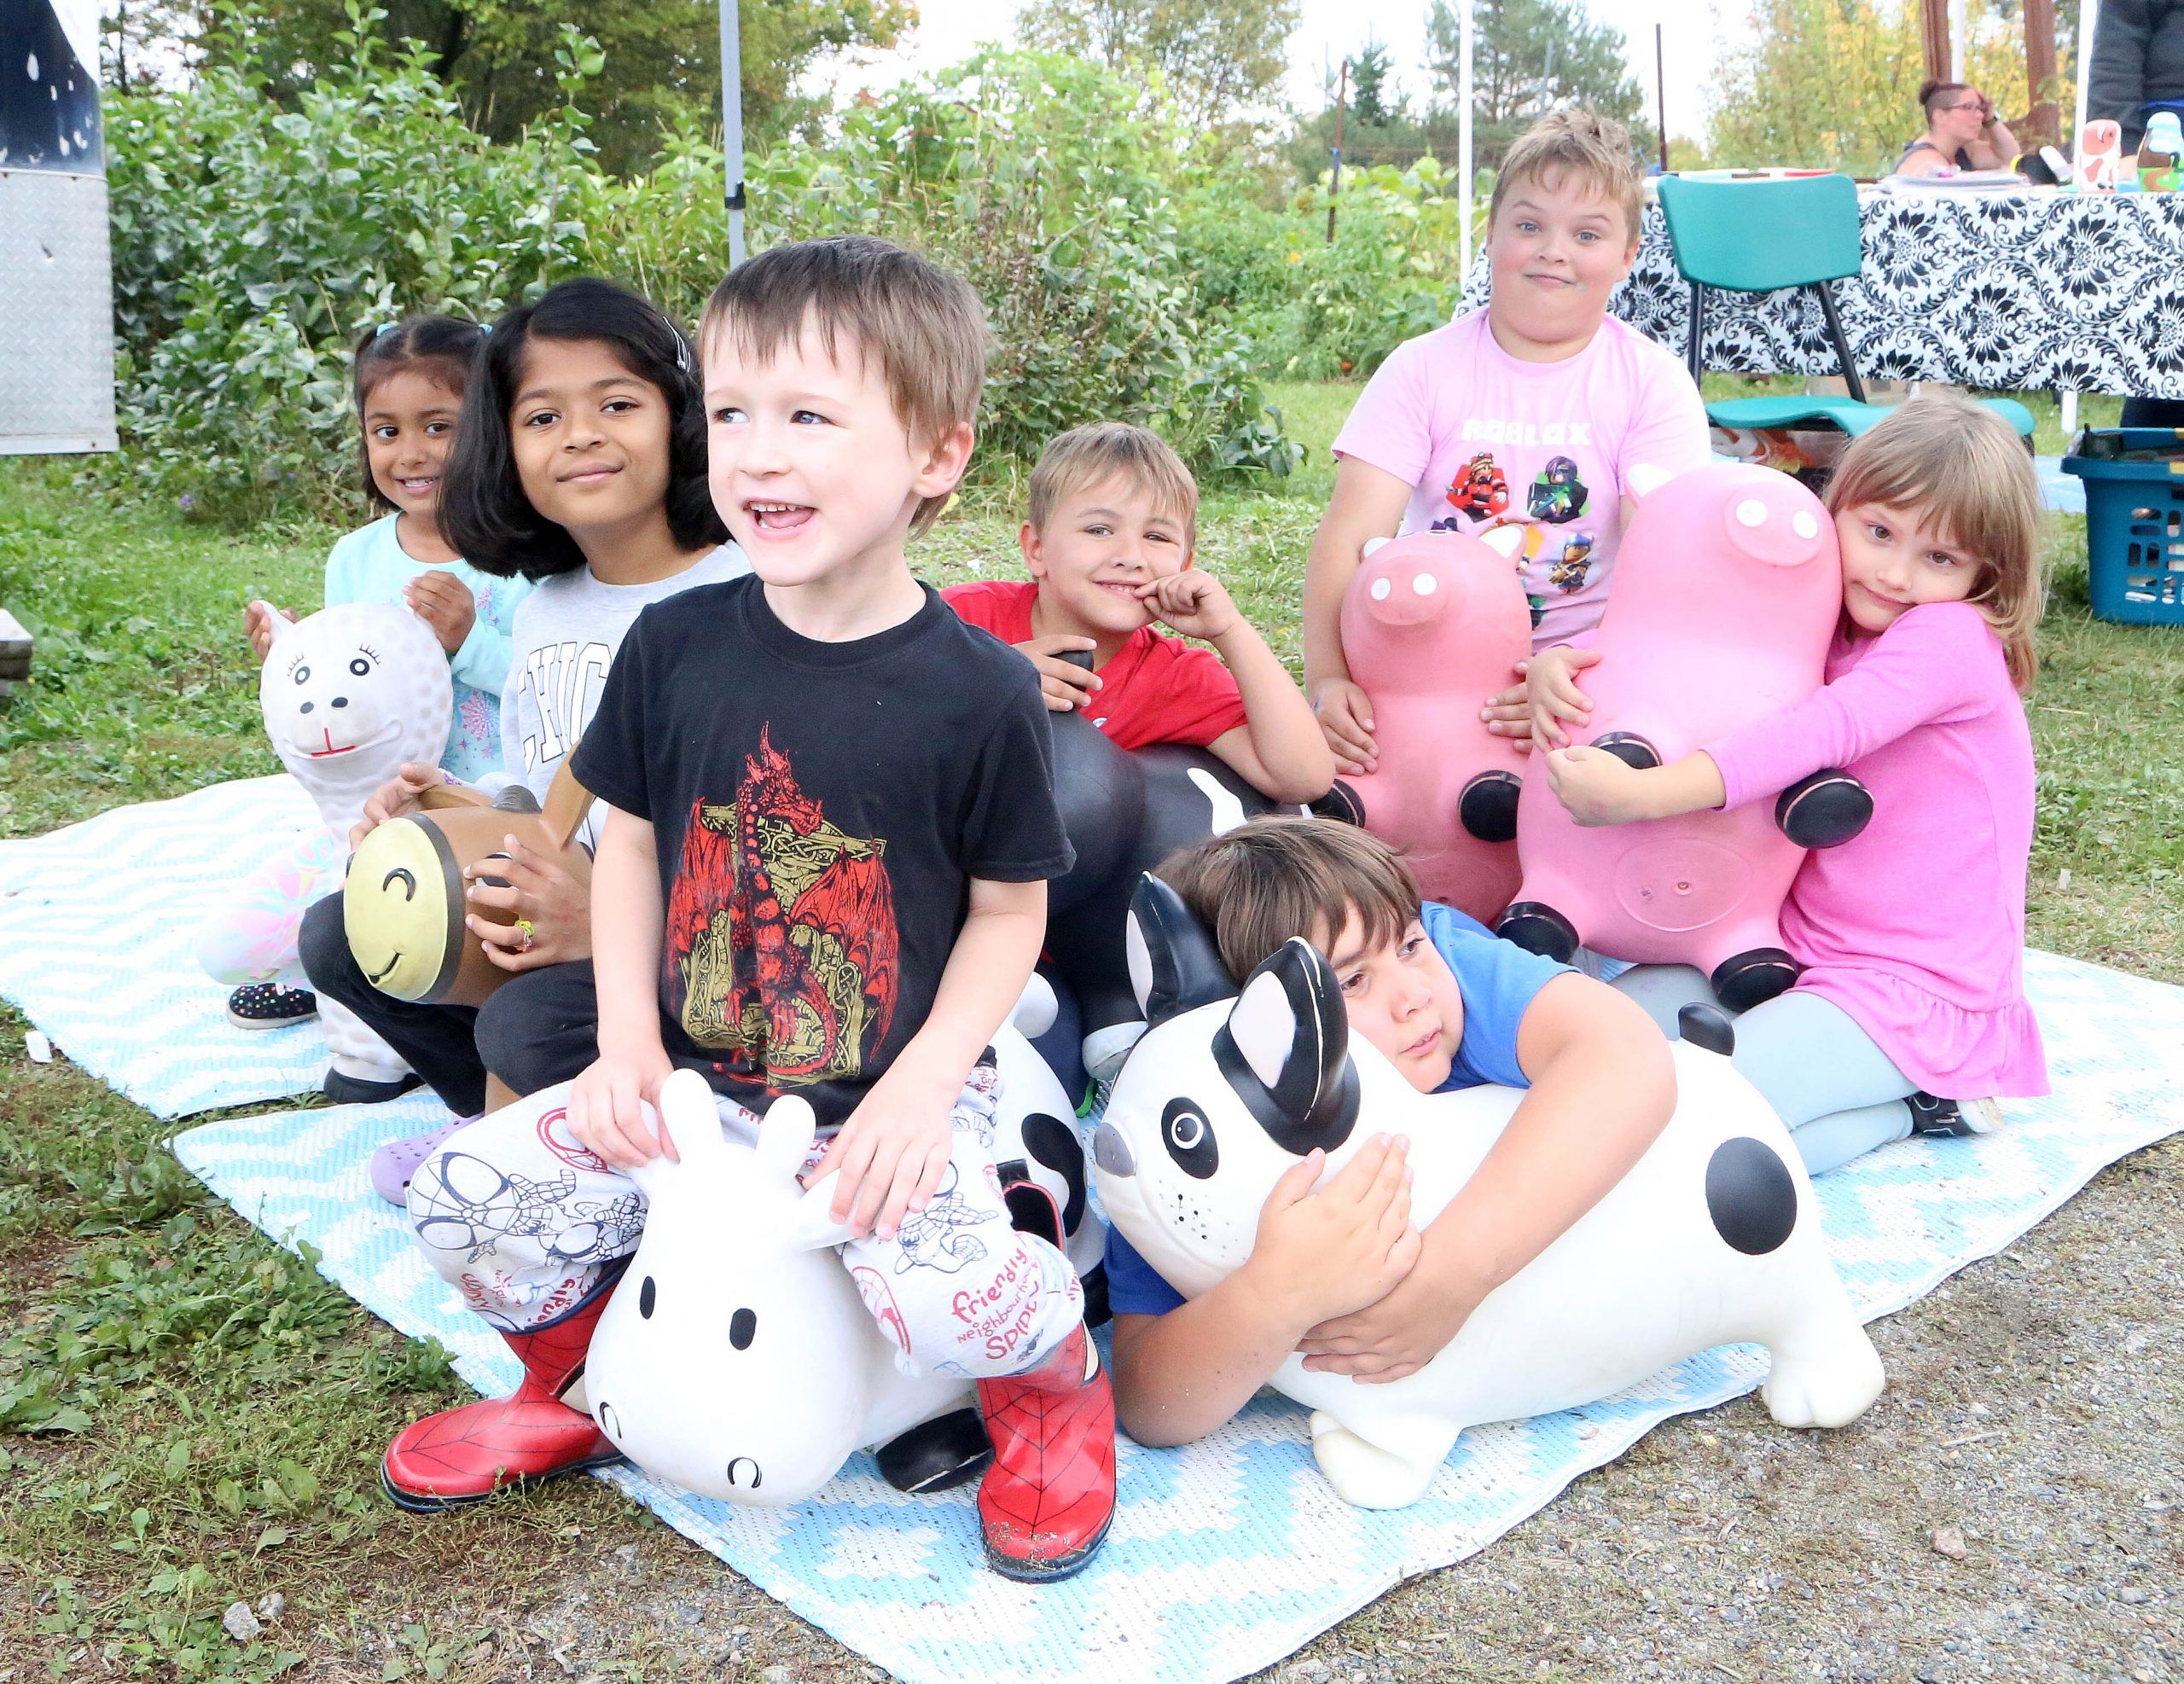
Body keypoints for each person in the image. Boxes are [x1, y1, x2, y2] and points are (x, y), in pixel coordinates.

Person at [380, 235, 1118, 1584]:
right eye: (731, 414)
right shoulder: (678, 645)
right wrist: (623, 1046)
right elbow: (633, 849)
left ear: (936, 457)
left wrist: (920, 1088)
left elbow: (1012, 917)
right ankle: (589, 1380)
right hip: (690, 1086)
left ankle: (1054, 1391)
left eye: (810, 417)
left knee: (968, 1290)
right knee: (460, 1194)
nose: (759, 455)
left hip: (885, 1101)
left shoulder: (980, 693)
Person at [295, 278, 746, 1194]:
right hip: (556, 927)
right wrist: (444, 809)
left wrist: (607, 929)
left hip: (705, 961)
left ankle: (577, 1138)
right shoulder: (545, 609)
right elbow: (545, 797)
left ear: (682, 418)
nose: (579, 435)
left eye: (616, 404)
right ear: (503, 452)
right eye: (540, 418)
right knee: (343, 935)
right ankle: (505, 1115)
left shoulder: (739, 594)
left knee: (527, 1024)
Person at [1529, 393, 2048, 1175]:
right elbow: (1691, 638)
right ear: (1834, 509)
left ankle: (1913, 1106)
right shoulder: (1822, 619)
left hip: (1913, 987)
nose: (1897, 574)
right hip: (1788, 944)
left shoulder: (1950, 638)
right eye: (1879, 532)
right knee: (1589, 1038)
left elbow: (1817, 733)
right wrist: (1560, 660)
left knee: (1688, 1118)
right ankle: (1910, 1102)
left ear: (1985, 577)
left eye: (1939, 559)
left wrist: (1642, 796)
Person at [1106, 816, 1675, 1447]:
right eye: (1351, 982)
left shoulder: (1450, 965)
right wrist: (1273, 1295)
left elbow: (1627, 1053)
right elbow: (1151, 1407)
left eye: (1408, 945)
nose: (1414, 995)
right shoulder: (1197, 1133)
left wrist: (1451, 1276)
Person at [1303, 107, 1711, 781]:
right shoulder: (1421, 368)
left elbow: (1661, 573)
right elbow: (1347, 541)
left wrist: (1587, 673)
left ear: (1627, 256)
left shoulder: (1653, 385)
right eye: (1529, 225)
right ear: (1490, 236)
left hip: (1581, 675)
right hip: (1423, 661)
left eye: (1587, 233)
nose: (1554, 249)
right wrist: (1327, 679)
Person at [209, 316, 527, 1042]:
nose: (411, 453)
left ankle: (395, 1008)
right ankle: (319, 971)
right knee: (234, 946)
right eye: (385, 430)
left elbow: (549, 686)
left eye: (438, 426)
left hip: (483, 806)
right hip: (372, 811)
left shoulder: (521, 553)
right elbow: (344, 695)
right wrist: (292, 661)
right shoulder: (355, 558)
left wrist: (470, 640)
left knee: (436, 924)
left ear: (490, 426)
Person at [943, 422, 1333, 804]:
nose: (1130, 557)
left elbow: (1304, 778)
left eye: (1157, 537)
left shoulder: (1175, 678)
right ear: (1037, 548)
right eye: (1098, 530)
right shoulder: (960, 620)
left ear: (1185, 564)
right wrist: (991, 681)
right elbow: (885, 716)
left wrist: (1230, 631)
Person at [1896, 80, 2021, 177]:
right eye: (1967, 107)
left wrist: (1990, 119)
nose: (1980, 115)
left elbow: (2010, 158)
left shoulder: (1963, 151)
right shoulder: (1922, 159)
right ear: (1940, 116)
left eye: (1981, 109)